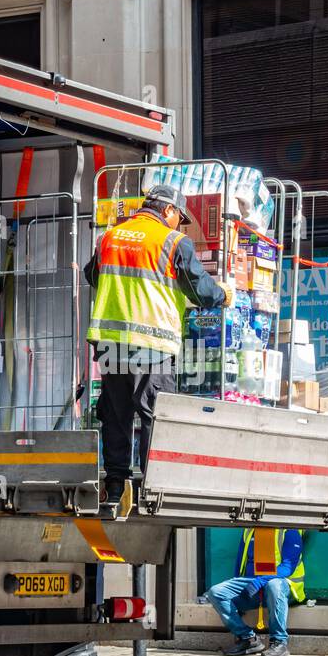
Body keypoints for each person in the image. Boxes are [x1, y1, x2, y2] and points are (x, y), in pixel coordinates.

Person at [85, 183, 232, 514]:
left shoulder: (110, 237)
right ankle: (151, 492)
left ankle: (112, 493)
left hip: (111, 343)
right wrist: (223, 295)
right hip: (153, 345)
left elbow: (92, 275)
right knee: (155, 415)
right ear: (168, 210)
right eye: (179, 218)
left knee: (116, 414)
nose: (178, 225)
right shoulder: (173, 242)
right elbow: (200, 290)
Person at [205, 527, 305, 656]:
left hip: (283, 585)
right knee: (216, 592)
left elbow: (287, 567)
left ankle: (279, 642)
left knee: (273, 585)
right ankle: (248, 639)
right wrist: (237, 593)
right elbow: (240, 563)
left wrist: (259, 582)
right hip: (253, 585)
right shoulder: (249, 530)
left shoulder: (290, 530)